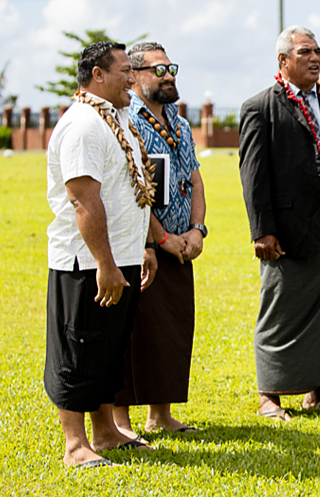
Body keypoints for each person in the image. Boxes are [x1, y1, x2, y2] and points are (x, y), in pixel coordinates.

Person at [44, 41, 158, 467]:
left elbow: (130, 189)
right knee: (78, 349)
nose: (133, 77)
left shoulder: (116, 118)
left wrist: (143, 246)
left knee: (109, 349)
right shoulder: (83, 126)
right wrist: (106, 265)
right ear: (98, 75)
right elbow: (83, 201)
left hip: (122, 255)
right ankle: (76, 445)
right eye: (125, 70)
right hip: (88, 263)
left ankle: (106, 432)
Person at [239, 26, 320, 421]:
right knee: (280, 309)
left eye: (318, 51)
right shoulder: (261, 107)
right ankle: (269, 394)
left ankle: (317, 389)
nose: (315, 58)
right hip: (288, 230)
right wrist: (262, 230)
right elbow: (254, 176)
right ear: (283, 60)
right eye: (305, 51)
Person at [112, 41, 207, 437]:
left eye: (172, 69)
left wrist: (197, 230)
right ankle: (121, 422)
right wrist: (163, 237)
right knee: (134, 332)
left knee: (173, 329)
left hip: (180, 244)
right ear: (134, 76)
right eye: (159, 70)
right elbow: (133, 188)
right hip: (144, 244)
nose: (169, 76)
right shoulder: (125, 121)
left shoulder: (181, 123)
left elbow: (195, 179)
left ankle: (160, 414)